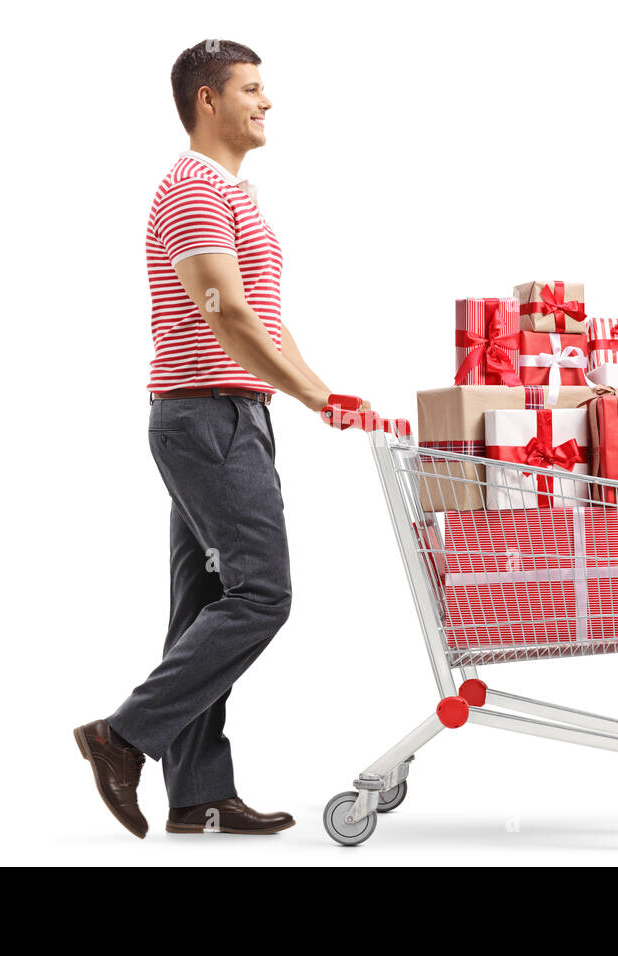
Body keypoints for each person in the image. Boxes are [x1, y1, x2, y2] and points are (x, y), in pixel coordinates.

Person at [73, 39, 367, 837]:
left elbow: (264, 317)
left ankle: (199, 791)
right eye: (251, 88)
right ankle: (121, 735)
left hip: (230, 414)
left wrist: (325, 391)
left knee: (204, 603)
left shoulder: (234, 195)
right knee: (262, 595)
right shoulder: (193, 190)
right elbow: (225, 316)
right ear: (208, 101)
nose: (265, 103)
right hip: (208, 417)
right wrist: (307, 397)